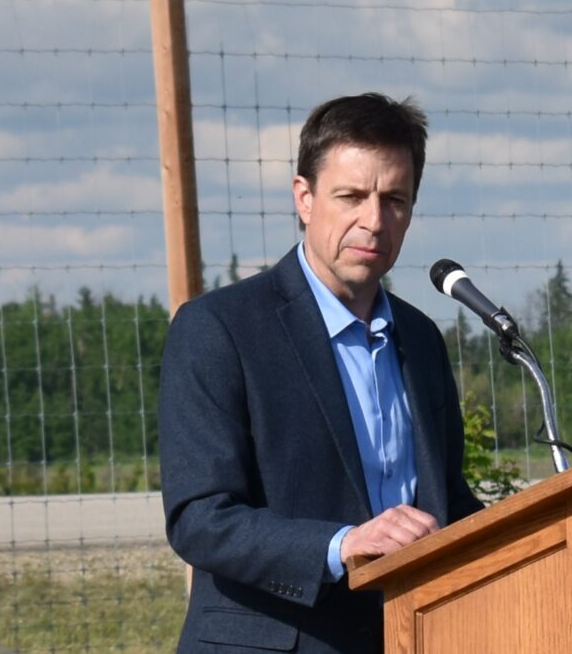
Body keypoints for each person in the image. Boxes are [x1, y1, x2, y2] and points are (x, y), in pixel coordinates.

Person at [158, 92, 483, 653]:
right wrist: (344, 544)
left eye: (395, 200)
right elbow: (200, 517)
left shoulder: (422, 339)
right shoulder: (219, 329)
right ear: (304, 198)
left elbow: (447, 499)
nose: (374, 221)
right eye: (351, 196)